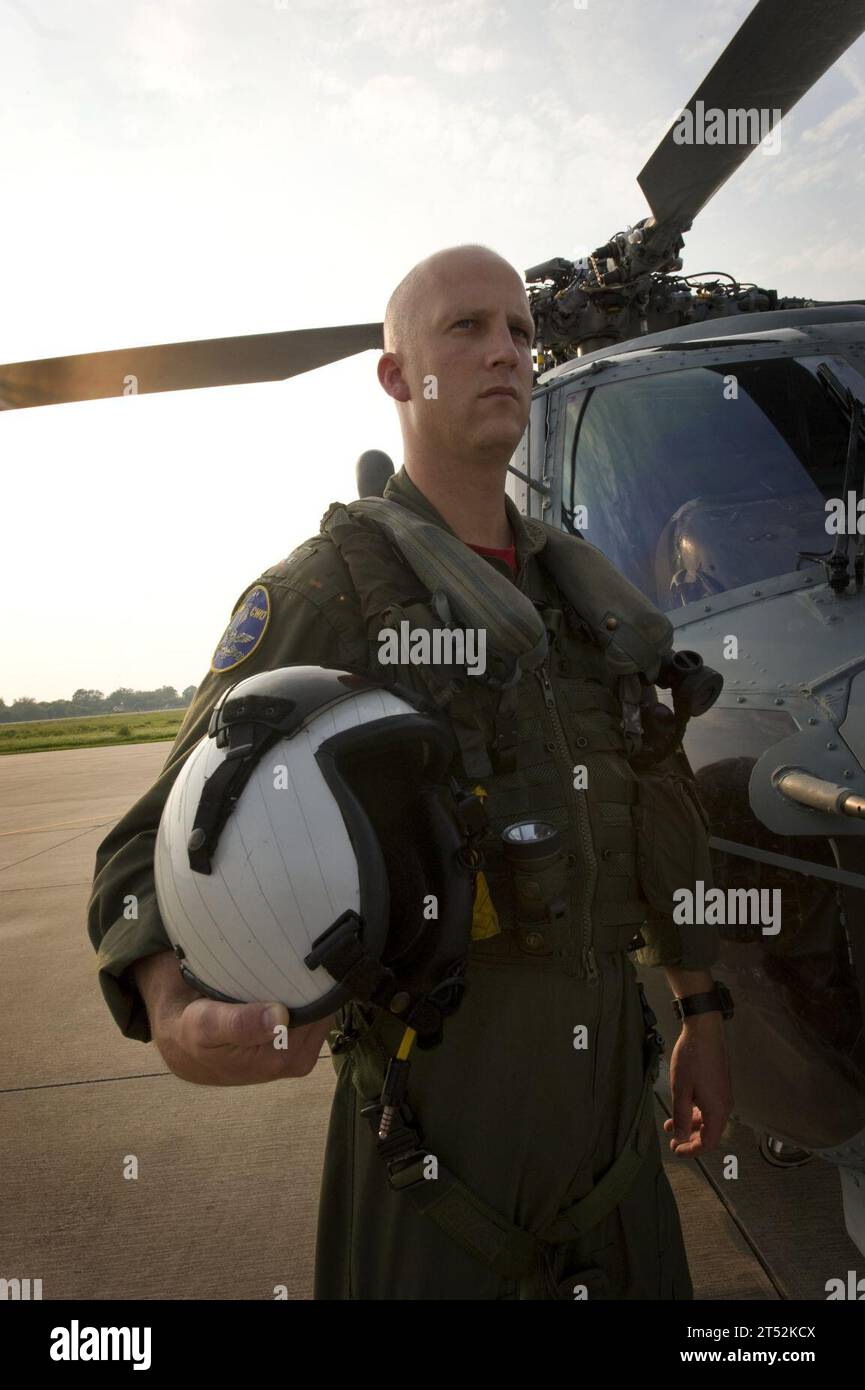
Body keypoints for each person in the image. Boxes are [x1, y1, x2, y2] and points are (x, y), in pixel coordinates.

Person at [87, 243, 733, 1300]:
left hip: (615, 1100)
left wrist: (701, 1009)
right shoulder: (329, 589)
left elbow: (656, 801)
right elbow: (151, 837)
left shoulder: (585, 597)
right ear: (396, 376)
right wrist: (169, 1005)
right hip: (437, 1122)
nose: (507, 353)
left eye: (521, 331)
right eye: (466, 329)